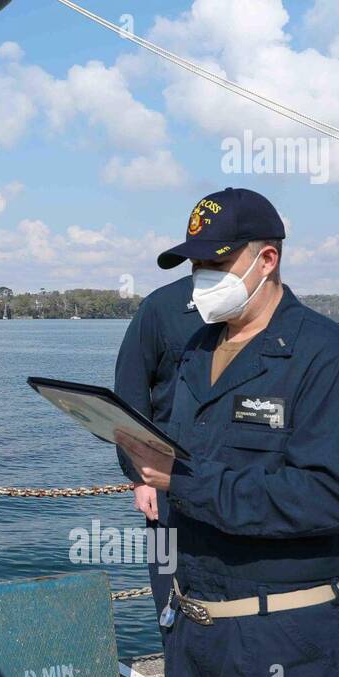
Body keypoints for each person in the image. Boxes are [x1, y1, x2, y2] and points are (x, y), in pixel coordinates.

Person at [116, 187, 339, 677]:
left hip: (286, 642)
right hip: (197, 631)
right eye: (195, 262)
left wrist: (181, 479)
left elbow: (324, 498)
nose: (201, 275)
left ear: (267, 259)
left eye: (216, 261)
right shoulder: (198, 349)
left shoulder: (326, 358)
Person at [113, 275, 201, 644]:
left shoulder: (261, 311)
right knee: (169, 591)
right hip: (165, 480)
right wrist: (139, 476)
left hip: (237, 480)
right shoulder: (160, 308)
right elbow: (130, 395)